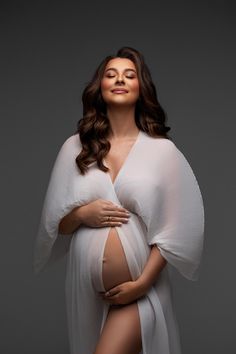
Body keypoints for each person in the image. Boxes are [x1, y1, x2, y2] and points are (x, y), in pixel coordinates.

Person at [33, 46, 205, 354]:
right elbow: (58, 225)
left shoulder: (161, 151)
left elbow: (175, 231)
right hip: (86, 291)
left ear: (141, 88)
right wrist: (83, 213)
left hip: (139, 290)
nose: (119, 80)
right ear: (100, 87)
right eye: (110, 75)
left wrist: (141, 284)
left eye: (129, 75)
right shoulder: (75, 147)